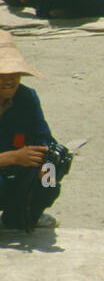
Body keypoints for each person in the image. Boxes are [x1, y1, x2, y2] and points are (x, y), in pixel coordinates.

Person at [0, 32, 62, 230]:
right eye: (2, 75)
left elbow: (44, 137)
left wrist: (47, 160)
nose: (9, 80)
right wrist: (11, 157)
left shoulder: (26, 98)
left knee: (51, 175)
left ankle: (23, 215)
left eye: (14, 74)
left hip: (15, 171)